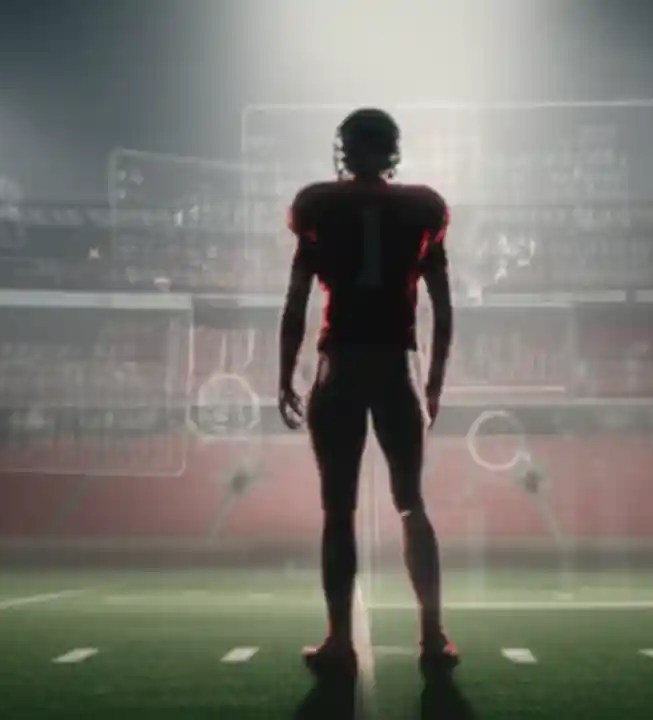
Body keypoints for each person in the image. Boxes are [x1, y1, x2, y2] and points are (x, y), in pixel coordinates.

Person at [278, 108, 458, 674]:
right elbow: (443, 307)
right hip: (395, 366)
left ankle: (339, 641)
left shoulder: (318, 206)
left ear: (346, 150)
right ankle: (432, 637)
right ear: (392, 150)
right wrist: (433, 381)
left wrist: (284, 372)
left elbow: (297, 301)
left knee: (338, 511)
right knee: (411, 504)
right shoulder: (422, 208)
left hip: (342, 366)